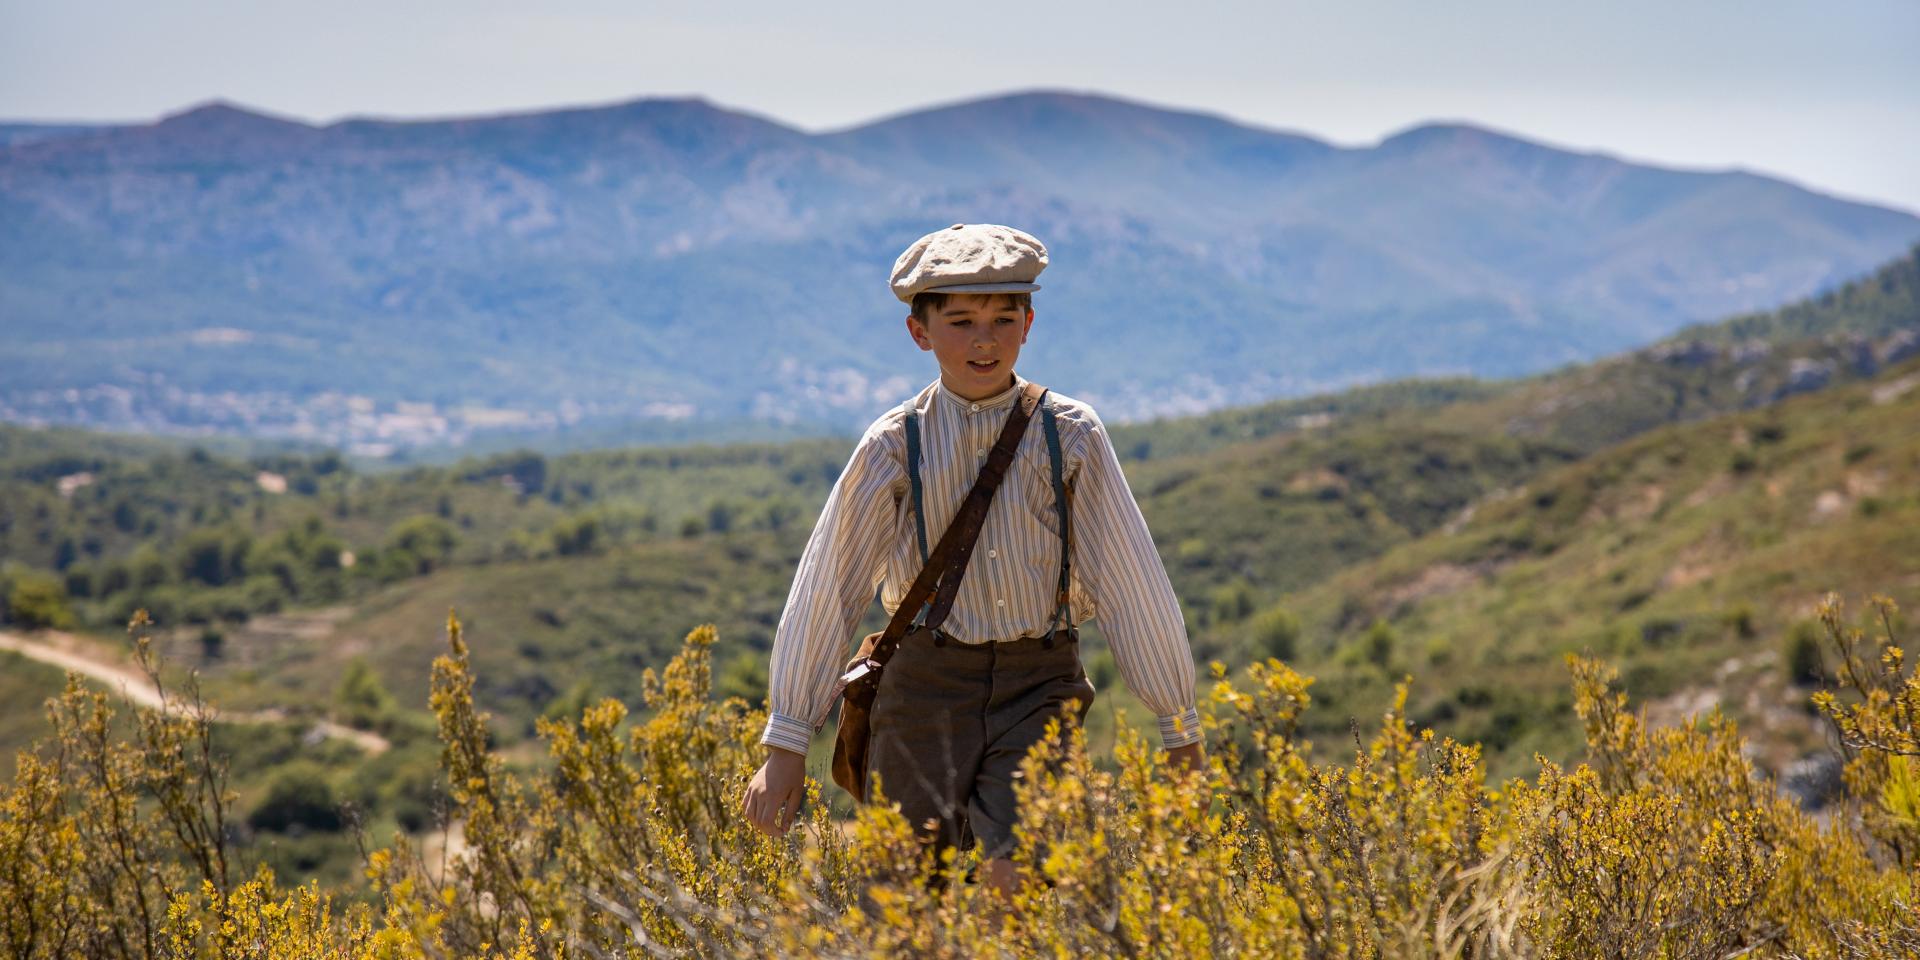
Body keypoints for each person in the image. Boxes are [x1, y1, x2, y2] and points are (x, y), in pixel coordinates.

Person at [740, 223, 1205, 901]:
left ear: (1029, 324)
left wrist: (1178, 726)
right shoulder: (895, 444)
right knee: (906, 897)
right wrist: (785, 747)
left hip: (1039, 682)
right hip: (923, 686)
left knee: (1016, 883)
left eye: (1002, 318)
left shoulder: (1070, 433)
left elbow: (1131, 582)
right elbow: (829, 590)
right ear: (919, 333)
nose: (983, 340)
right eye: (960, 321)